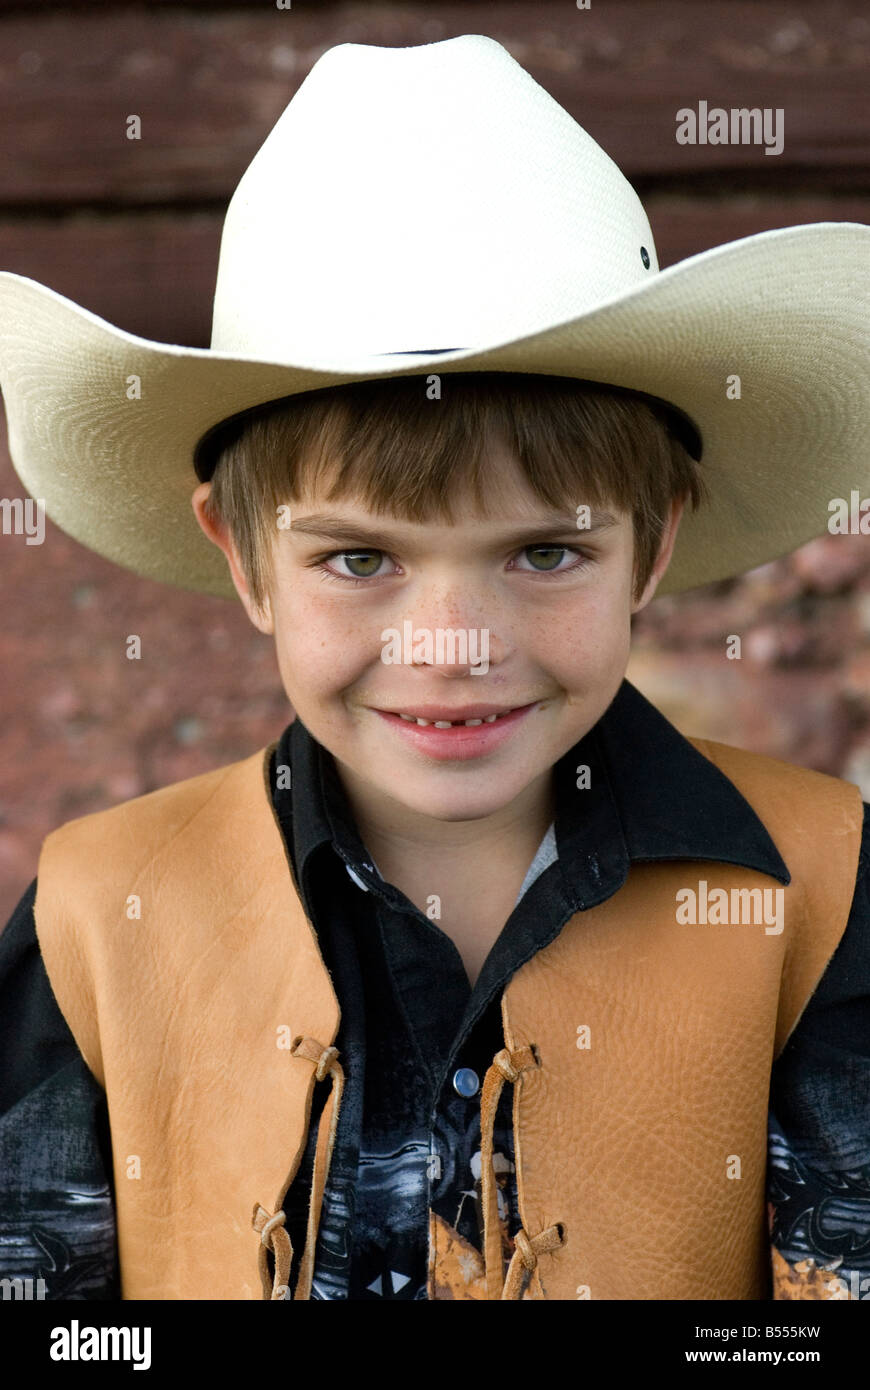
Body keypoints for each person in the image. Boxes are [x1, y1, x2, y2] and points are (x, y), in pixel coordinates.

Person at [0, 34, 867, 1302]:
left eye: (546, 552)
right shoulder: (93, 916)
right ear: (244, 560)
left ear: (651, 549)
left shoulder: (823, 891)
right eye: (359, 562)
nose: (453, 647)